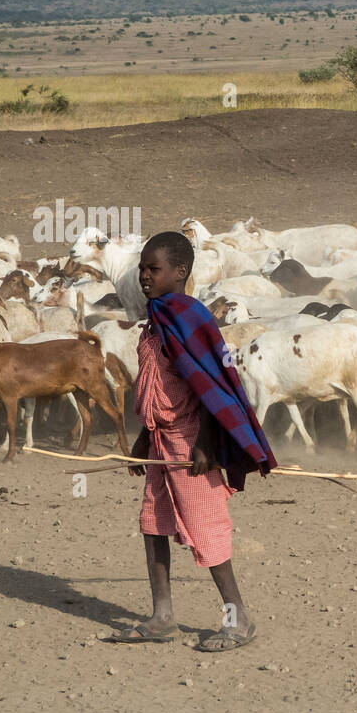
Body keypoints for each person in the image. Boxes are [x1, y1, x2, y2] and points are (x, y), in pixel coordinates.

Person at [106, 230, 276, 652]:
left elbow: (209, 389)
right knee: (153, 525)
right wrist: (144, 440)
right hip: (162, 441)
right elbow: (159, 386)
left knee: (206, 528)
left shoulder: (188, 316)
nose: (144, 275)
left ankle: (239, 619)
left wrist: (205, 445)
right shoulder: (158, 318)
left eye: (153, 268)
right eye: (142, 268)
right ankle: (162, 617)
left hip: (189, 443)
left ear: (180, 272)